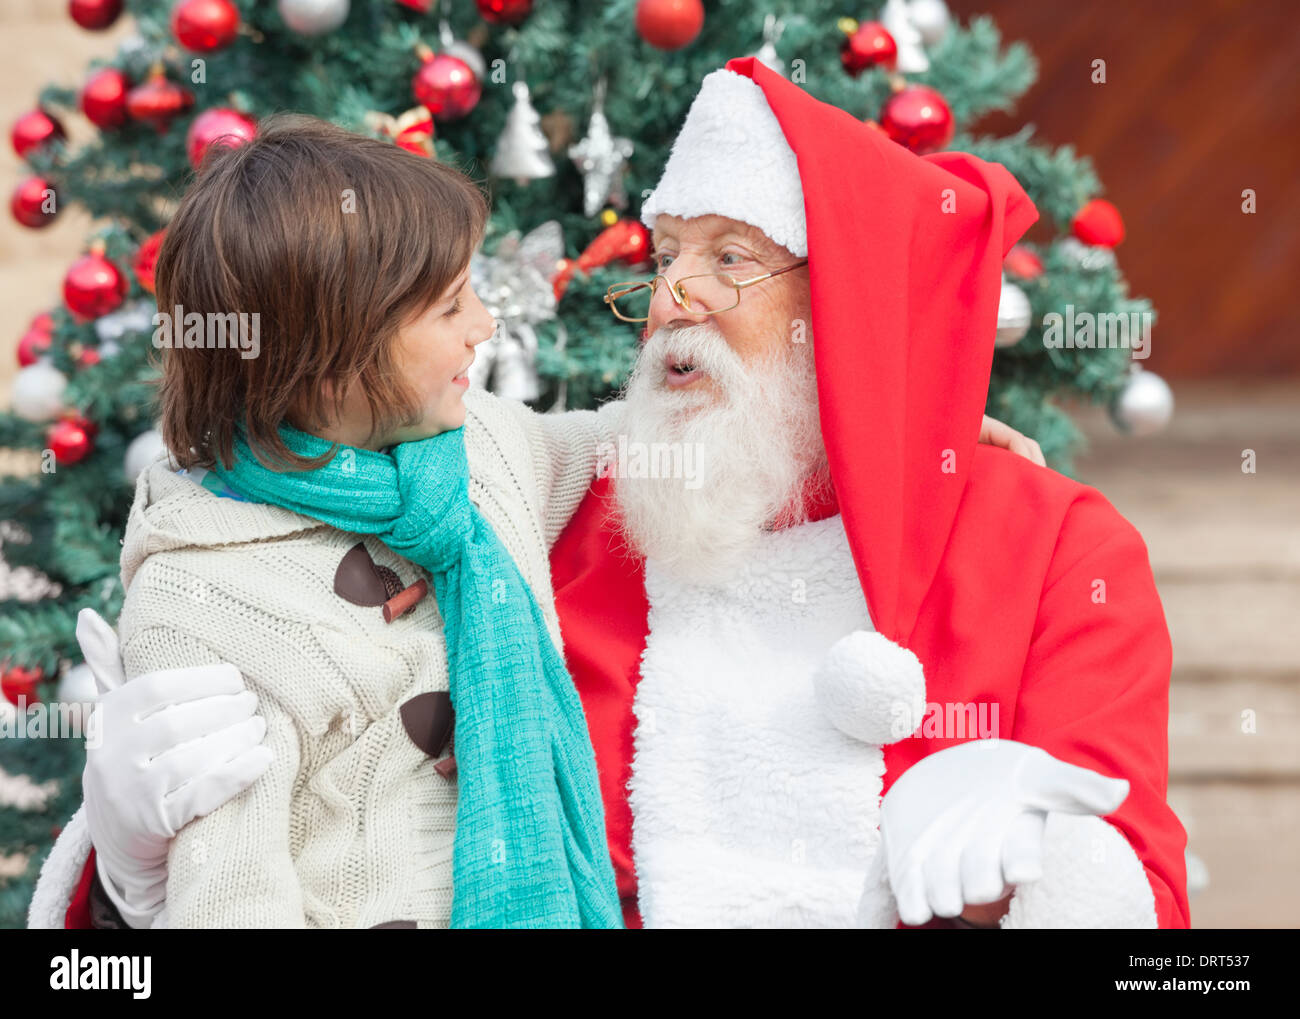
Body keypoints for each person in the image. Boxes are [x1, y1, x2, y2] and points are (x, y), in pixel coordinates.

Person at [29, 66, 1107, 931]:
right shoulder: (597, 522)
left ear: (843, 302)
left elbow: (1125, 866)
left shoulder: (1048, 545)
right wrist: (128, 873)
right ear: (331, 362)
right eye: (666, 255)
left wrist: (890, 414)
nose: (670, 298)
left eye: (728, 257)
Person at [28, 112, 625, 929]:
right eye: (451, 307)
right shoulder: (206, 597)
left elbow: (642, 448)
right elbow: (232, 902)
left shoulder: (481, 446)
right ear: (334, 358)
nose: (486, 325)